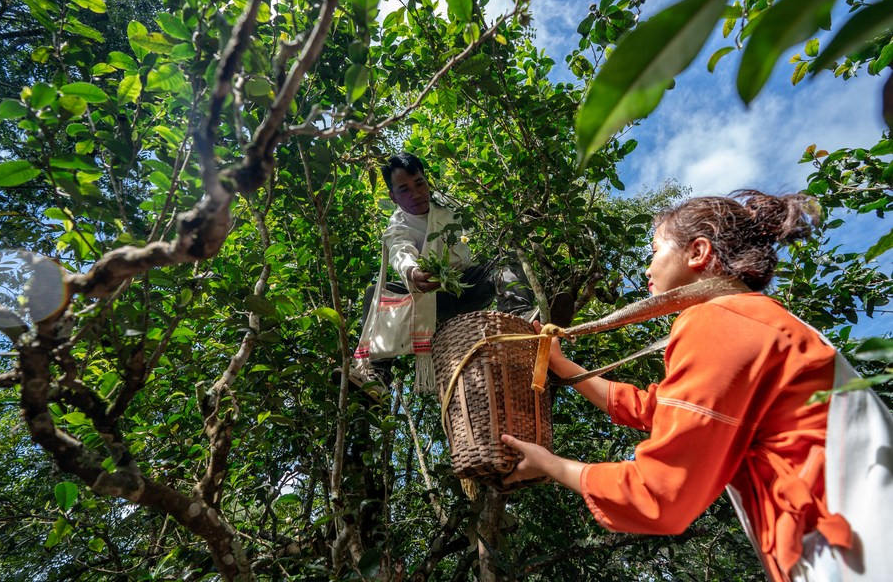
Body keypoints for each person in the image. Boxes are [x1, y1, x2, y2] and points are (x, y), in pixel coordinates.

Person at [501, 190, 849, 581]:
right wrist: (563, 366)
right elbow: (656, 409)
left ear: (698, 252)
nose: (648, 269)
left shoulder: (720, 321)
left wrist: (549, 463)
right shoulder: (755, 318)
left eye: (654, 251)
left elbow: (659, 496)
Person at [340, 152, 540, 398]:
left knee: (506, 257)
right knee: (375, 293)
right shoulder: (397, 225)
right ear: (393, 196)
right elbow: (401, 251)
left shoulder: (448, 203)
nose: (415, 194)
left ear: (427, 181)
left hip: (467, 285)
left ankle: (520, 318)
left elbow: (484, 215)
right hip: (430, 298)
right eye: (404, 190)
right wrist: (413, 272)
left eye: (419, 183)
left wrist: (523, 215)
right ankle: (377, 374)